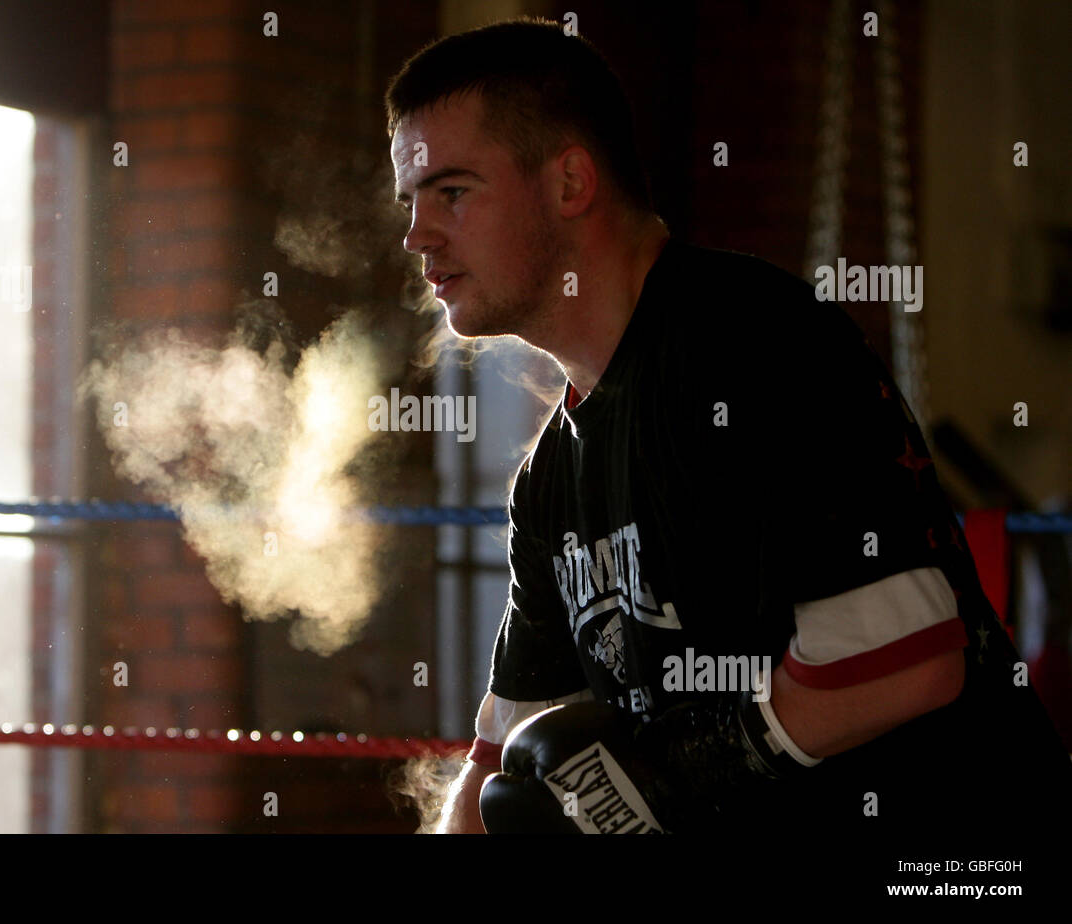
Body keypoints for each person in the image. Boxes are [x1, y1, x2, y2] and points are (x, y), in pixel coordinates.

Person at [386, 18, 1072, 836]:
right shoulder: (550, 481)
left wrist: (666, 776)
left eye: (453, 192)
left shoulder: (753, 341)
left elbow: (910, 663)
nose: (417, 234)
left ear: (571, 182)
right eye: (411, 201)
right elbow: (497, 760)